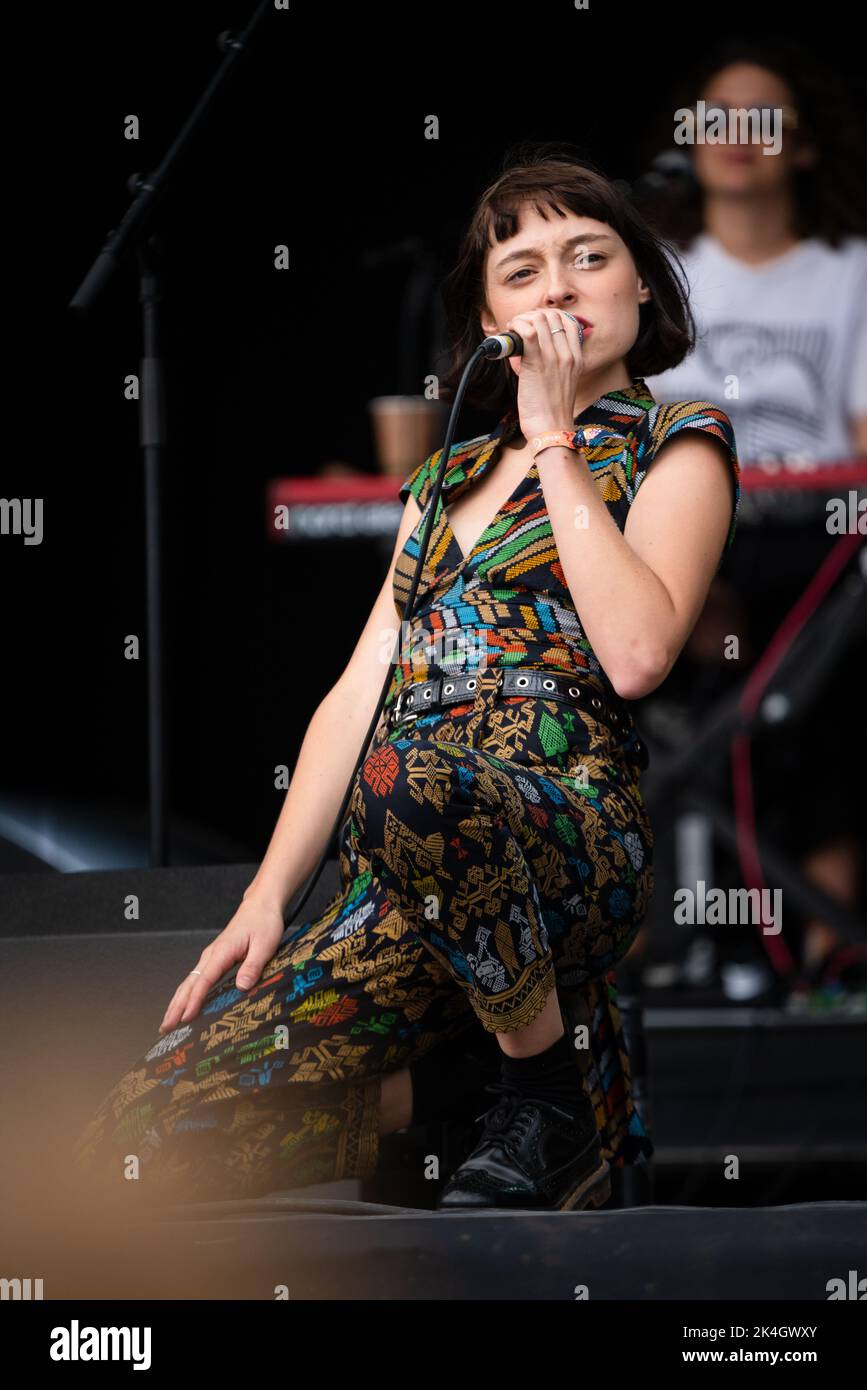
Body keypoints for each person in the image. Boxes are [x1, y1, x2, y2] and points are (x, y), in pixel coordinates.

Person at [68, 144, 739, 1214]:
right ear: (485, 323)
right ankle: (469, 1085)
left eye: (588, 256)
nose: (558, 284)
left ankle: (547, 1100)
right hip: (410, 851)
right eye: (521, 271)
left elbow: (639, 654)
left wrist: (554, 439)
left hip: (563, 832)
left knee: (413, 772)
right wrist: (266, 896)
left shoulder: (676, 441)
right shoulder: (440, 484)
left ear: (641, 286)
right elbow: (353, 693)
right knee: (137, 1137)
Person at [640, 41, 867, 988]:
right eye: (713, 118)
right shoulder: (646, 265)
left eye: (759, 118)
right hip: (674, 532)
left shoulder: (848, 270)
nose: (733, 139)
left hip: (811, 541)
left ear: (803, 148)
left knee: (829, 675)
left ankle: (823, 948)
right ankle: (660, 951)